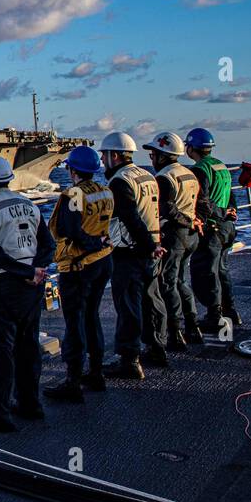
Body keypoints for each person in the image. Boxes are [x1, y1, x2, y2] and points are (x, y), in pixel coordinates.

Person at [0, 155, 55, 433]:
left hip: (0, 286)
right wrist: (36, 271)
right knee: (28, 346)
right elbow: (49, 246)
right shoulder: (30, 204)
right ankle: (30, 404)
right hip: (31, 287)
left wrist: (24, 273)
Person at [43, 146, 115, 403]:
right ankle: (96, 373)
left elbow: (70, 230)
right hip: (103, 261)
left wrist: (90, 243)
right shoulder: (105, 190)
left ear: (72, 170)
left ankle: (72, 382)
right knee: (92, 317)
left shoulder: (73, 193)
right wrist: (99, 243)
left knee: (74, 324)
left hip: (78, 266)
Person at [99, 132, 166, 378]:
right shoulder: (147, 175)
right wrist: (153, 246)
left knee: (128, 306)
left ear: (114, 155)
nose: (103, 161)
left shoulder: (119, 181)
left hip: (130, 252)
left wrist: (148, 245)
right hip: (151, 248)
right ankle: (157, 347)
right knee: (151, 301)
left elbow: (131, 218)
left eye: (105, 155)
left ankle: (129, 360)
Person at [144, 132, 204, 346]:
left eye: (153, 155)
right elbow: (203, 202)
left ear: (162, 156)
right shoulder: (189, 173)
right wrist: (196, 221)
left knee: (168, 284)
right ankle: (193, 326)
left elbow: (167, 209)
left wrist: (186, 222)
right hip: (192, 236)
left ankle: (176, 332)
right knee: (181, 281)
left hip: (174, 236)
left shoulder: (164, 177)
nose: (151, 159)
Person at [185, 128, 239, 332]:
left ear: (191, 148)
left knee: (207, 271)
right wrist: (231, 212)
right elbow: (230, 193)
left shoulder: (200, 169)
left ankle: (215, 315)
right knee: (222, 269)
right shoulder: (221, 166)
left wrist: (220, 214)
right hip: (227, 227)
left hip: (213, 227)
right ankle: (230, 310)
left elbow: (204, 200)